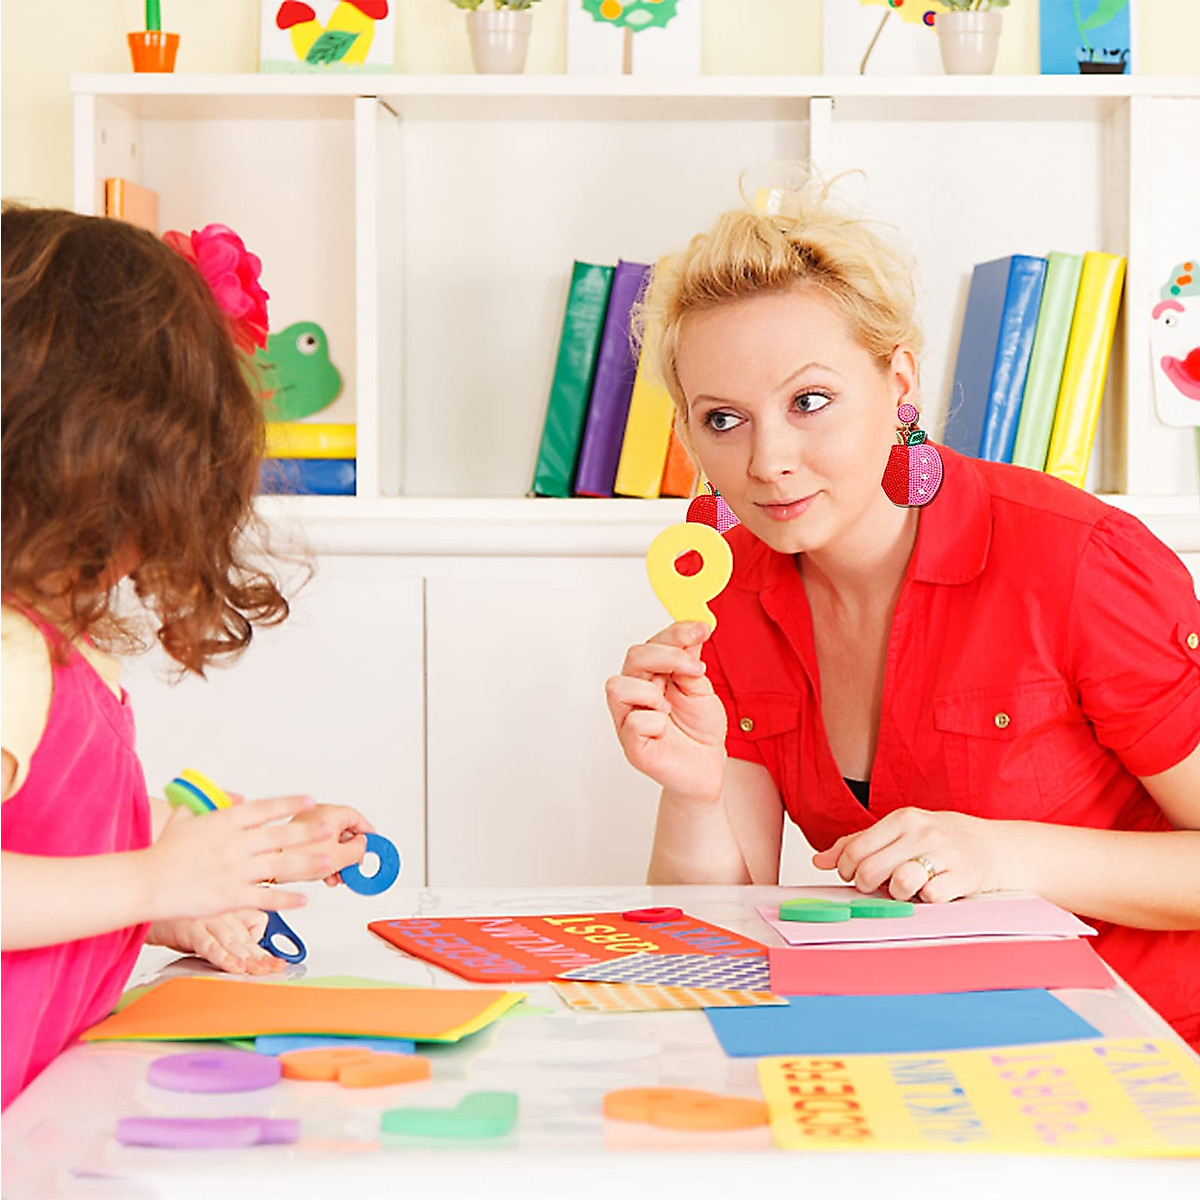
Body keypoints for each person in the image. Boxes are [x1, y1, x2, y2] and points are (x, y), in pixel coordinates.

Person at [605, 176, 1200, 1051]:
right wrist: (692, 791)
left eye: (810, 402)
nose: (768, 460)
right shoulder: (725, 592)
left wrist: (1006, 855)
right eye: (723, 419)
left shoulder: (1077, 562)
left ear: (899, 382)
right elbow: (715, 931)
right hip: (899, 1047)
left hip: (1138, 1053)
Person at [0, 206, 372, 1108]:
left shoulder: (60, 647)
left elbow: (48, 856)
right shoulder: (9, 651)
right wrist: (153, 878)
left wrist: (178, 896)